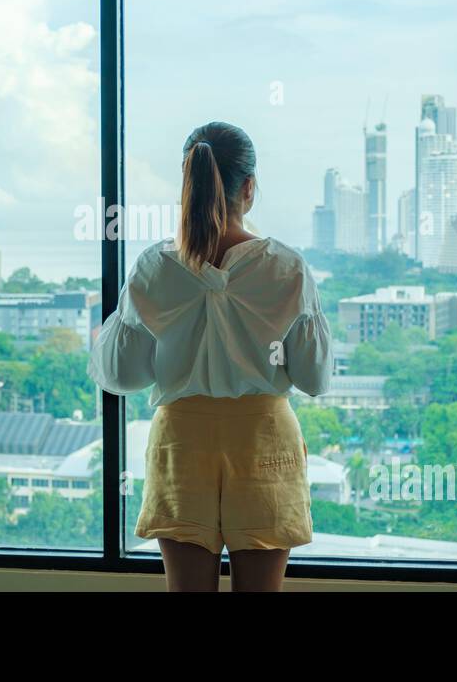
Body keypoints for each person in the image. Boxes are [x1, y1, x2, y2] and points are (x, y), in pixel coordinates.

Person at [89, 121, 332, 591]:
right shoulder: (286, 267)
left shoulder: (154, 267)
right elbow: (314, 377)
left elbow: (121, 373)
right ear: (249, 187)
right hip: (263, 439)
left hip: (183, 441)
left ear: (188, 185)